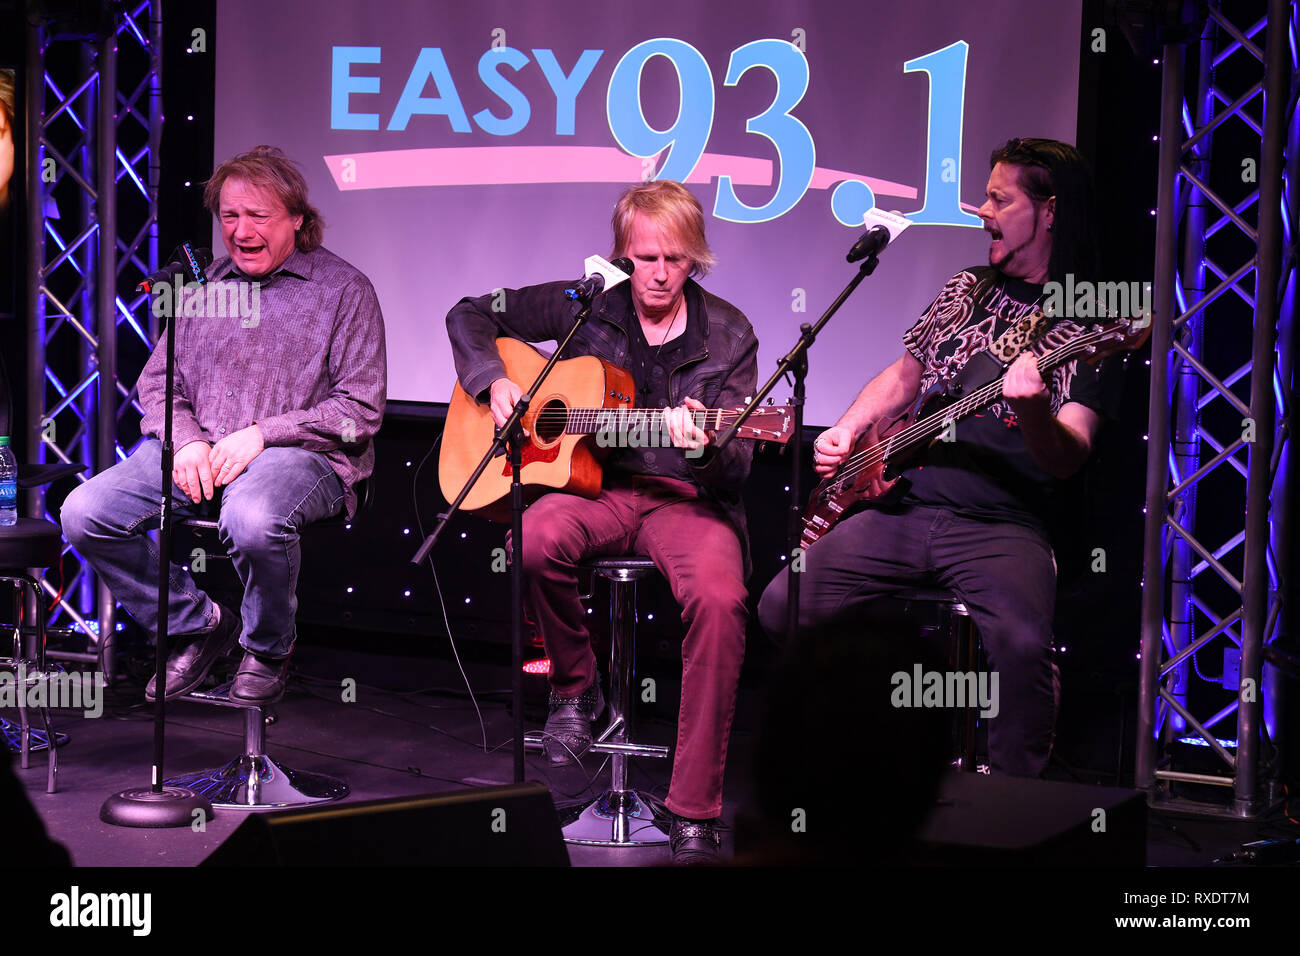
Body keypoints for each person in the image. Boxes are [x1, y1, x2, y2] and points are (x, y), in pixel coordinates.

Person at [759, 138, 1119, 778]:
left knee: (1023, 646)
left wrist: (1033, 409)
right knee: (785, 603)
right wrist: (845, 428)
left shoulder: (1092, 317)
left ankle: (1013, 817)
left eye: (999, 200)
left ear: (1050, 211)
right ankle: (884, 758)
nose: (982, 211)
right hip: (906, 506)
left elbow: (1072, 454)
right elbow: (903, 379)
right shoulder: (965, 289)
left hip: (1003, 526)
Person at [446, 180, 757, 863]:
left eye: (674, 259)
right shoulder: (584, 304)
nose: (658, 273)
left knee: (719, 600)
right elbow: (471, 313)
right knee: (530, 537)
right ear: (622, 254)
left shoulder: (730, 333)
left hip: (686, 501)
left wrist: (703, 447)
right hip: (596, 489)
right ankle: (575, 688)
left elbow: (737, 470)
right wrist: (490, 380)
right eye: (645, 258)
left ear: (694, 258)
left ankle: (694, 809)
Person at [62, 146, 386, 705]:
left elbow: (359, 408)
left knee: (254, 518)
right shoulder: (203, 286)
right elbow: (158, 383)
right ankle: (199, 624)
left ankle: (266, 649)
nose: (240, 231)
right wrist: (185, 440)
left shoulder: (344, 291)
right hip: (196, 451)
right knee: (85, 513)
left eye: (257, 216)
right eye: (229, 217)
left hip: (300, 455)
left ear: (298, 221)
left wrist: (263, 433)